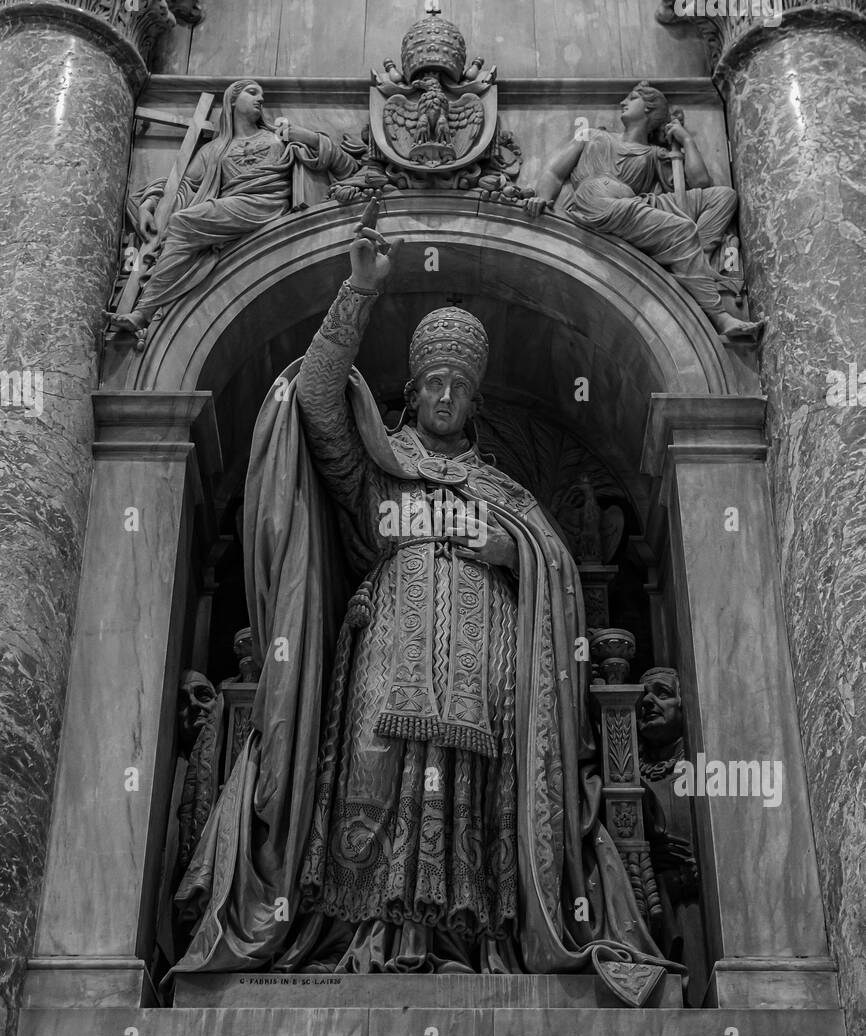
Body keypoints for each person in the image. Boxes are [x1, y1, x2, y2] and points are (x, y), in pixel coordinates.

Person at [171, 205, 671, 981]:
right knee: (374, 776)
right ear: (413, 388)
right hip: (387, 642)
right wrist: (358, 294)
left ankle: (473, 939)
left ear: (475, 401)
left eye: (458, 387)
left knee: (477, 796)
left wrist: (516, 549)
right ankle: (367, 931)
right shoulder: (377, 468)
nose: (444, 396)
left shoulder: (504, 490)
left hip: (490, 659)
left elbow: (560, 571)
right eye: (433, 382)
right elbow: (314, 402)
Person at [107, 79, 359, 336]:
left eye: (261, 94)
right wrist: (148, 204)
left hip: (268, 204)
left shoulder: (278, 137)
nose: (260, 99)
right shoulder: (214, 150)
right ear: (232, 100)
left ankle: (143, 312)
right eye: (252, 93)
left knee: (183, 222)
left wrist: (305, 136)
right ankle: (144, 310)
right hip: (230, 208)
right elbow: (183, 187)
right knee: (181, 224)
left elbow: (345, 165)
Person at [533, 82, 762, 340]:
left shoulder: (654, 155)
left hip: (638, 203)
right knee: (682, 230)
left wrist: (686, 140)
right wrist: (543, 199)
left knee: (723, 196)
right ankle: (719, 315)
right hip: (596, 200)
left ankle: (697, 258)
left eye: (632, 98)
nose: (623, 102)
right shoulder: (592, 135)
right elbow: (554, 172)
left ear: (649, 110)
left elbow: (699, 182)